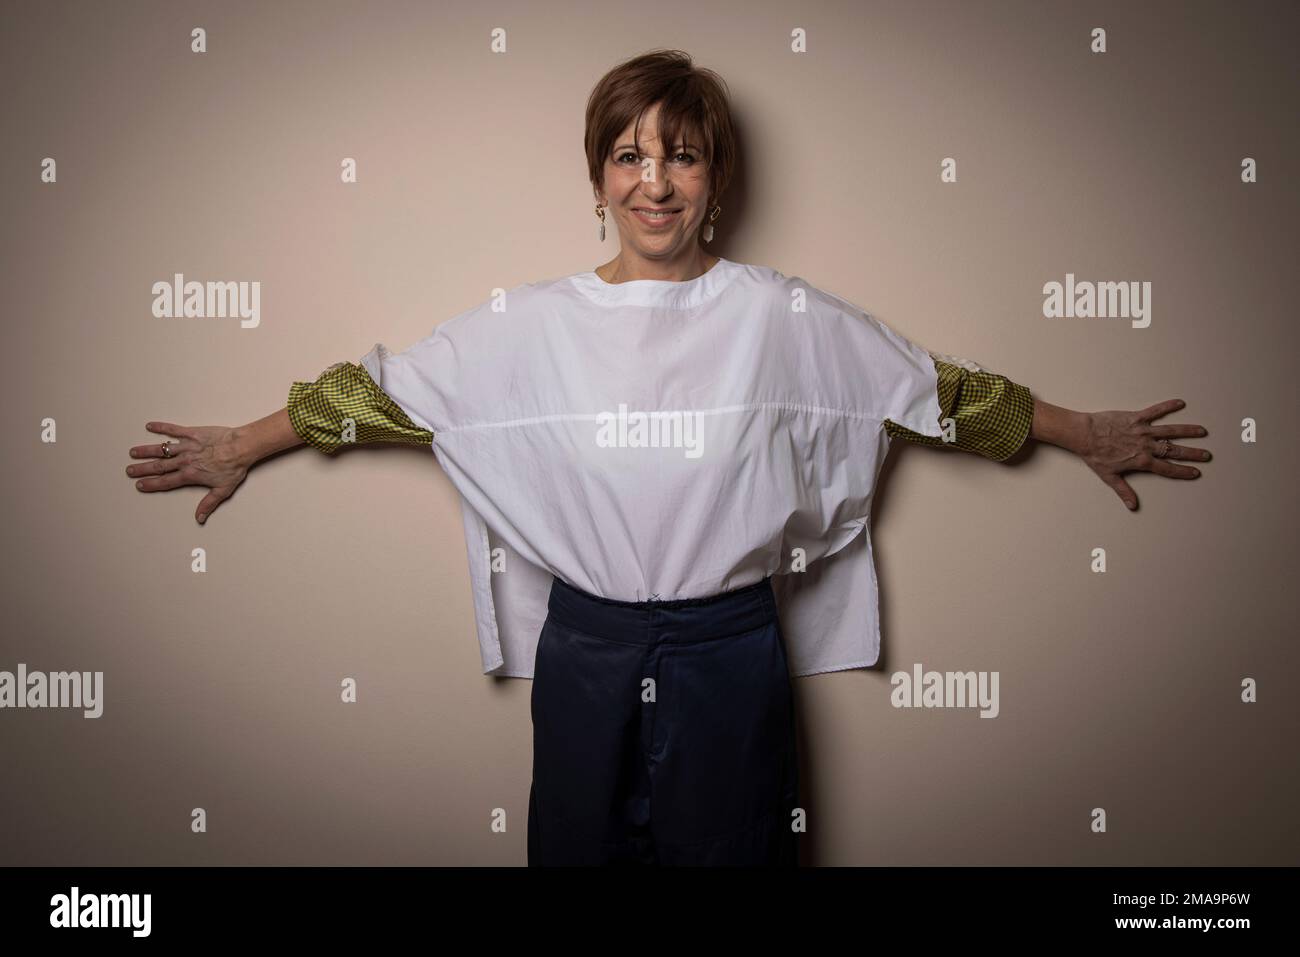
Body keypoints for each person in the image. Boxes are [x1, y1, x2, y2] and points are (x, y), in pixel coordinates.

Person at [125, 49, 1210, 866]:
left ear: (715, 178)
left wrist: (1085, 433)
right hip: (586, 647)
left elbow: (932, 392)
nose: (656, 180)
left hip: (727, 648)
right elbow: (382, 393)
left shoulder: (781, 313)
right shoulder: (527, 323)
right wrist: (239, 446)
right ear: (596, 177)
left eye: (681, 154)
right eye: (629, 154)